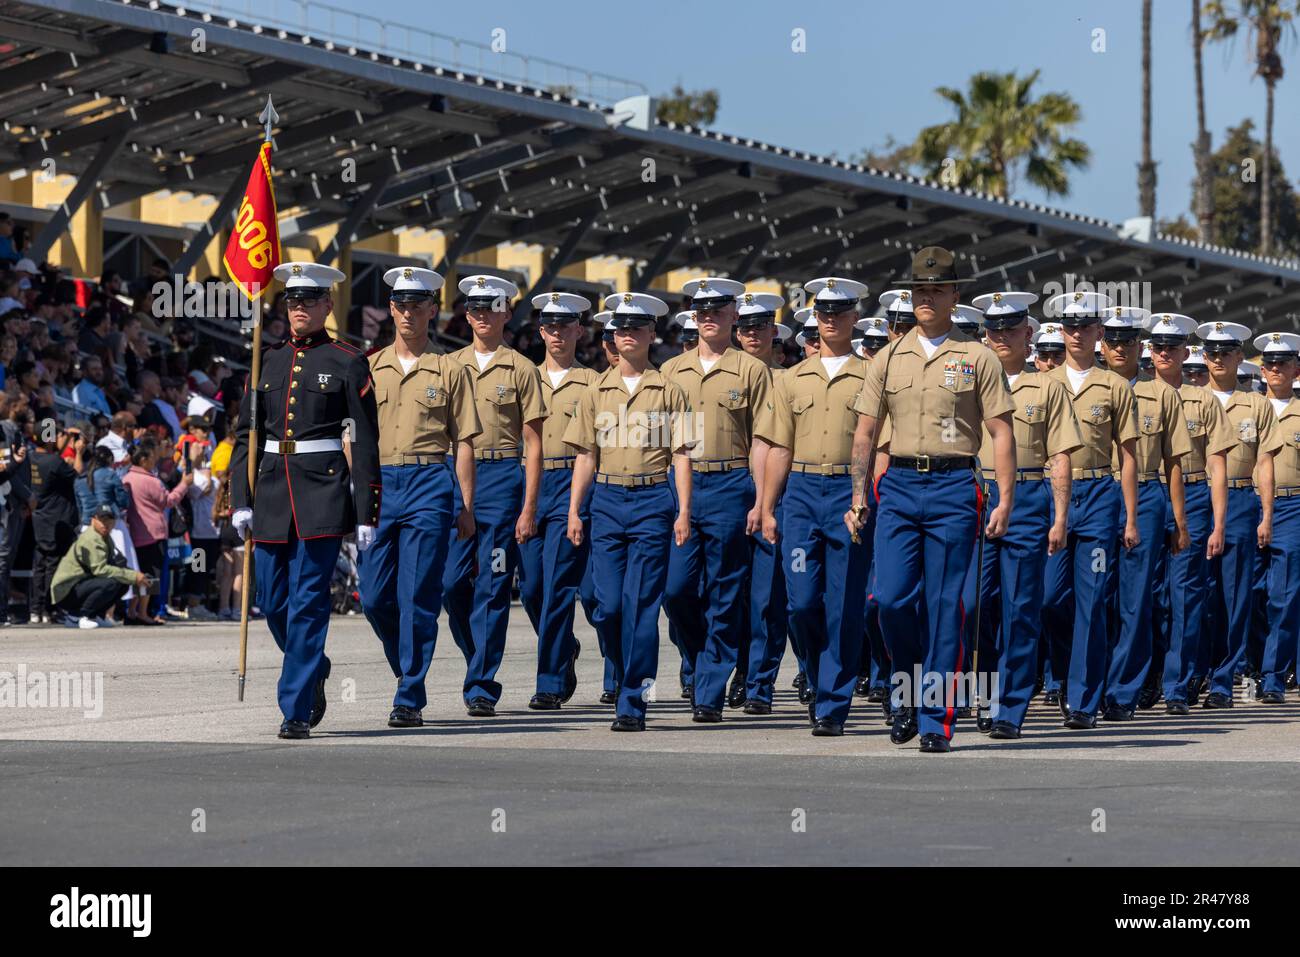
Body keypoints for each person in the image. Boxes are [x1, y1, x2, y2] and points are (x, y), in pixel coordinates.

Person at [846, 249, 1016, 753]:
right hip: (897, 486)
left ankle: (935, 720)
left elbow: (1000, 432)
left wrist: (1004, 498)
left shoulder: (977, 357)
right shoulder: (888, 358)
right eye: (920, 290)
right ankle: (905, 680)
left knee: (948, 609)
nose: (926, 298)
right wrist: (858, 494)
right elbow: (866, 431)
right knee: (889, 599)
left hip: (953, 487)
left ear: (955, 296)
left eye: (937, 290)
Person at [228, 261, 381, 740]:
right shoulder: (266, 359)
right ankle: (312, 665)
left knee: (308, 604)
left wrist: (365, 508)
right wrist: (241, 497)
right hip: (272, 491)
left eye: (308, 301)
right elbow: (245, 436)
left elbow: (365, 439)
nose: (298, 308)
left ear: (326, 305)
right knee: (274, 602)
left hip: (322, 493)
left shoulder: (347, 359)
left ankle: (294, 708)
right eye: (292, 301)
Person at [564, 291, 694, 732]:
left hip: (652, 503)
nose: (627, 336)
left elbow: (682, 455)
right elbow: (585, 455)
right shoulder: (594, 390)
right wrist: (574, 511)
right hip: (606, 502)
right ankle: (621, 674)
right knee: (606, 605)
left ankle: (632, 700)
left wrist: (683, 512)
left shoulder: (673, 391)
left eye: (636, 328)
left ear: (651, 335)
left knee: (640, 605)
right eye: (620, 330)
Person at [359, 266, 479, 728]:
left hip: (430, 483)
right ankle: (404, 667)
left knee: (419, 596)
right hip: (380, 485)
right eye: (400, 304)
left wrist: (464, 506)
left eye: (417, 305)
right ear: (390, 309)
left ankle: (409, 693)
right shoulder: (368, 366)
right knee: (372, 597)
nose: (408, 313)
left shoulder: (449, 369)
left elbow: (463, 442)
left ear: (432, 309)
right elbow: (355, 437)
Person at [956, 293, 1079, 739]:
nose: (1001, 337)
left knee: (1022, 609)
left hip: (1028, 498)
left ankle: (1010, 707)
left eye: (1010, 329)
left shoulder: (1048, 387)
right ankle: (985, 692)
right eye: (993, 329)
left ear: (1028, 334)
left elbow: (1061, 456)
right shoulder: (965, 383)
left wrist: (1059, 517)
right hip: (974, 494)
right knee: (972, 606)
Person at [757, 275, 874, 738]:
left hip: (848, 493)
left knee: (844, 605)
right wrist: (767, 506)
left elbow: (878, 444)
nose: (831, 321)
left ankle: (832, 703)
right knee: (802, 603)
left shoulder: (870, 376)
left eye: (839, 313)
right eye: (823, 314)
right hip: (802, 496)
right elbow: (778, 446)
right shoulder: (792, 379)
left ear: (854, 319)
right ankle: (814, 672)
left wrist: (863, 498)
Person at [659, 278, 770, 722]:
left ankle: (709, 689)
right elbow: (657, 437)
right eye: (700, 310)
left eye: (716, 310)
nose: (707, 316)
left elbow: (764, 439)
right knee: (677, 590)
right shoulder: (671, 371)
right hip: (680, 486)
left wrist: (761, 501)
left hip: (730, 485)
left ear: (732, 316)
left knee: (725, 592)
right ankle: (701, 660)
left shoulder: (751, 371)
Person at [441, 274, 546, 717]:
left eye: (491, 308)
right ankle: (476, 656)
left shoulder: (521, 368)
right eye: (474, 308)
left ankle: (482, 683)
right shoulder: (446, 365)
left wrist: (529, 506)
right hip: (452, 474)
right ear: (466, 314)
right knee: (449, 585)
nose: (482, 315)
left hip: (502, 476)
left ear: (506, 312)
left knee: (493, 584)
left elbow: (534, 442)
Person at [1097, 307, 1191, 720]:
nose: (1120, 348)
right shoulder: (1087, 389)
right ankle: (1082, 681)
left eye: (1129, 341)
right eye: (1113, 341)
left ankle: (1122, 691)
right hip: (1098, 493)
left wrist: (1178, 521)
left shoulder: (1162, 394)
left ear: (1142, 346)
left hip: (1149, 497)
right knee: (1089, 597)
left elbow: (1174, 463)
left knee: (1135, 600)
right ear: (1103, 344)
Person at [1145, 314, 1233, 714]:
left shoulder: (1204, 400)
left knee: (1184, 595)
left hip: (1194, 496)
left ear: (1185, 352)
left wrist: (1218, 522)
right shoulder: (1136, 394)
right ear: (1151, 351)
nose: (1165, 353)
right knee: (1143, 595)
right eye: (1158, 346)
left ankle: (1178, 685)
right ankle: (1144, 678)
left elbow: (1217, 465)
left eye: (1172, 347)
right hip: (1147, 494)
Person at [517, 291, 600, 710]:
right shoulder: (522, 376)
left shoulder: (594, 383)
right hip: (531, 485)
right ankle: (564, 647)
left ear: (579, 330)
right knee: (531, 588)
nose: (556, 333)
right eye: (549, 325)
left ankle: (549, 681)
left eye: (565, 325)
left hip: (575, 483)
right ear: (540, 330)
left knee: (560, 589)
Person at [1196, 320, 1280, 709]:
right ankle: (1191, 672)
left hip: (1242, 500)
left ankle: (1225, 680)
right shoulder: (1190, 399)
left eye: (1225, 353)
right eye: (1211, 353)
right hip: (1197, 500)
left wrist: (1266, 514)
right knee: (1194, 593)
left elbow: (1265, 463)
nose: (1217, 359)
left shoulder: (1257, 404)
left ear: (1239, 357)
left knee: (1236, 595)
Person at [734, 293, 798, 711]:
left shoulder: (786, 380)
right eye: (745, 327)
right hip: (724, 488)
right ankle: (730, 667)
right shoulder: (723, 375)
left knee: (765, 596)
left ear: (774, 332)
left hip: (776, 490)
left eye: (760, 326)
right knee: (719, 593)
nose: (752, 334)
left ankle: (757, 681)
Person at [1255, 331, 1300, 702]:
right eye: (1269, 363)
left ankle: (1273, 676)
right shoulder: (1247, 409)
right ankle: (1240, 668)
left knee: (1282, 597)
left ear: (1295, 369)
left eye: (1282, 363)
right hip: (1242, 502)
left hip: (1291, 506)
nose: (1275, 369)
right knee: (1242, 595)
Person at [122, 440, 193, 625]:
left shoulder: (127, 478)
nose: (155, 460)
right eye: (152, 457)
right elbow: (168, 501)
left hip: (135, 534)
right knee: (152, 575)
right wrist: (184, 484)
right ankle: (145, 612)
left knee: (139, 573)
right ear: (143, 459)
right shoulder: (150, 480)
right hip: (153, 534)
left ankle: (133, 611)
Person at [50, 506, 148, 629]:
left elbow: (113, 565)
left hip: (80, 585)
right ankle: (76, 617)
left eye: (109, 520)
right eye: (102, 520)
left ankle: (96, 615)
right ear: (93, 520)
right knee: (111, 582)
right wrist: (133, 576)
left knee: (123, 583)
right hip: (66, 591)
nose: (105, 524)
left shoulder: (105, 537)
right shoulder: (92, 538)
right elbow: (100, 570)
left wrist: (135, 576)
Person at [30, 425, 86, 625]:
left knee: (40, 565)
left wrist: (63, 445)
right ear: (50, 438)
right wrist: (78, 451)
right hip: (58, 520)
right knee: (53, 565)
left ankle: (36, 609)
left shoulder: (32, 457)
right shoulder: (54, 461)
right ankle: (50, 608)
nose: (63, 437)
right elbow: (77, 472)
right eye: (60, 434)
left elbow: (54, 462)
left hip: (40, 518)